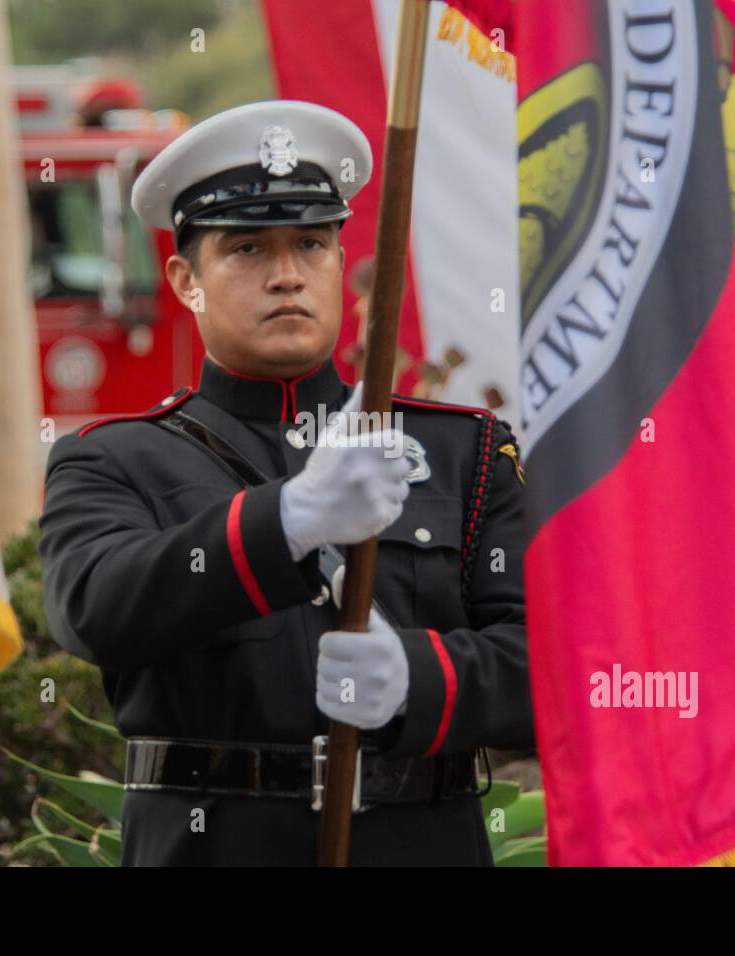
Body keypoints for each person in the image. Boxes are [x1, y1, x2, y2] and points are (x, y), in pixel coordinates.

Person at [37, 100, 535, 866]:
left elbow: (555, 669)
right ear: (184, 280)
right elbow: (93, 608)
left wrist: (419, 677)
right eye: (246, 250)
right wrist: (287, 523)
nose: (287, 276)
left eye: (310, 243)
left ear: (342, 263)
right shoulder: (114, 460)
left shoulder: (464, 451)